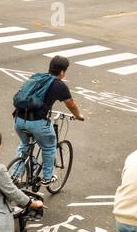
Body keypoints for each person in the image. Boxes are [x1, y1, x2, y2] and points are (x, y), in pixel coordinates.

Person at [10, 55, 85, 187]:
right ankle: (47, 177)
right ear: (62, 71)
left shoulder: (37, 77)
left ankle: (16, 175)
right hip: (37, 123)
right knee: (49, 146)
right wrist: (78, 116)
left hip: (19, 119)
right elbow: (71, 104)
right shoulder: (59, 85)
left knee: (24, 145)